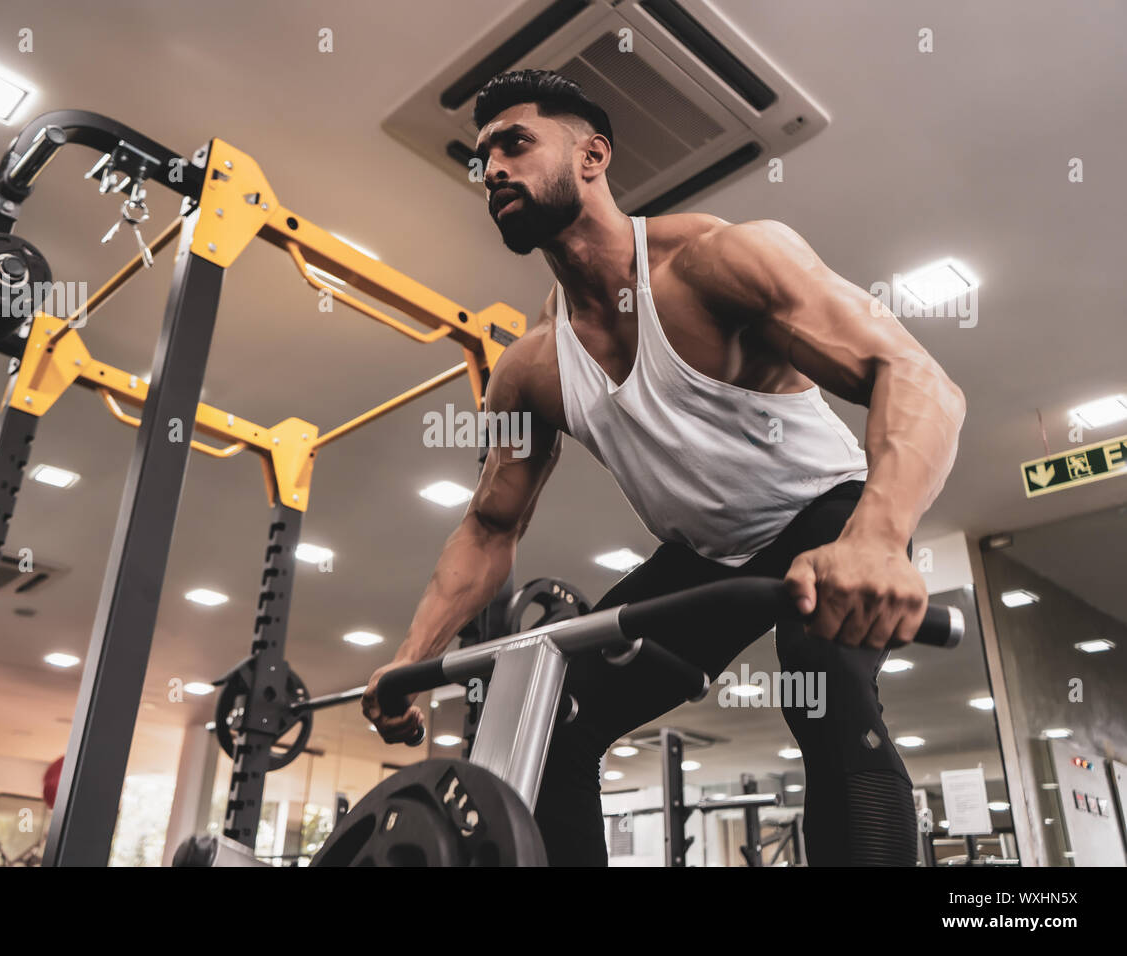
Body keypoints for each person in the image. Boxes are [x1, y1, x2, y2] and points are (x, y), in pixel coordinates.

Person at [363, 70, 965, 866]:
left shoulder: (719, 261)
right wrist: (413, 658)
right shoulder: (531, 369)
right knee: (556, 715)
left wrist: (880, 537)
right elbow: (488, 525)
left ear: (592, 157)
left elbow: (918, 377)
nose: (494, 170)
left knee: (823, 678)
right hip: (704, 555)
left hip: (826, 511)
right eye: (482, 159)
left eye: (515, 143)